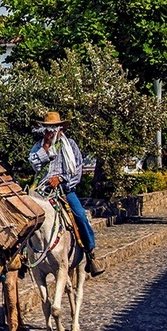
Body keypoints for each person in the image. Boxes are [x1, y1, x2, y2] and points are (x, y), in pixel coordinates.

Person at [28, 111, 105, 277]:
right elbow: (34, 163)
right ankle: (21, 258)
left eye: (54, 129)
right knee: (24, 217)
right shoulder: (38, 147)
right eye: (47, 129)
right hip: (42, 192)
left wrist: (61, 179)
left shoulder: (70, 145)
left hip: (65, 190)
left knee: (80, 216)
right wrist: (46, 147)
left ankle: (90, 253)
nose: (50, 133)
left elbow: (77, 169)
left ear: (61, 130)